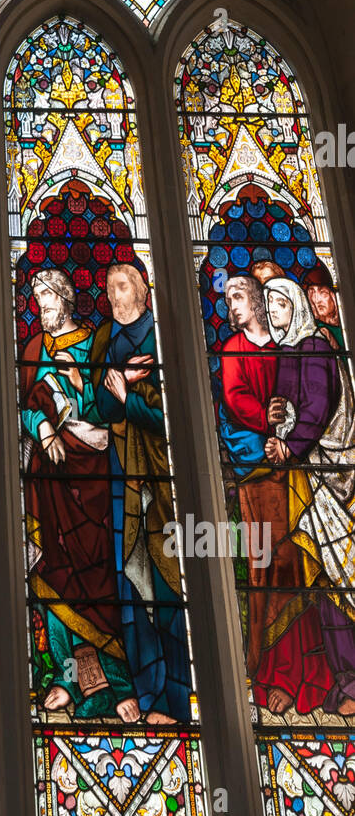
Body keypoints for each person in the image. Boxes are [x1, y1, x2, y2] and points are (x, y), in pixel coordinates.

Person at [20, 270, 136, 720]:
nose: (41, 309)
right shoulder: (32, 349)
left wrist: (82, 384)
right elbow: (25, 406)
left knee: (100, 569)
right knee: (54, 566)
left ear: (65, 301)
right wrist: (44, 425)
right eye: (36, 301)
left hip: (93, 472)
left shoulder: (95, 343)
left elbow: (107, 408)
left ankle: (117, 676)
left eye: (46, 301)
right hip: (49, 477)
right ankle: (67, 676)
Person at [217, 274, 332, 714]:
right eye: (227, 298)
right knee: (269, 560)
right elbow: (234, 397)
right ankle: (272, 672)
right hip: (257, 469)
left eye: (240, 295)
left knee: (304, 561)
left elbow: (307, 396)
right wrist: (269, 422)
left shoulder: (289, 347)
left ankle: (312, 674)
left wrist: (287, 426)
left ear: (262, 302)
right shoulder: (231, 350)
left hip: (297, 466)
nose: (233, 304)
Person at [91, 261, 190, 723]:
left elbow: (175, 415)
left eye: (123, 284)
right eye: (109, 286)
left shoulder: (162, 334)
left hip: (166, 476)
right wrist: (124, 391)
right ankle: (147, 696)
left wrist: (129, 392)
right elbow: (101, 404)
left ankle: (176, 699)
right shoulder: (104, 338)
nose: (114, 293)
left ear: (144, 291)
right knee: (131, 580)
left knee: (171, 579)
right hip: (122, 472)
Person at [262, 277, 355, 716]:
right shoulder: (289, 352)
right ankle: (346, 679)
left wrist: (289, 446)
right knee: (326, 580)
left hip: (333, 474)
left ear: (296, 306)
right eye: (268, 304)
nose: (272, 312)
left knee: (341, 577)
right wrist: (275, 418)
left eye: (278, 303)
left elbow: (318, 408)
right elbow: (290, 405)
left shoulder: (316, 348)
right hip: (311, 478)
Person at [303, 262, 344, 349]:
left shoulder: (346, 324)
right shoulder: (317, 332)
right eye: (312, 293)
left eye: (323, 292)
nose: (317, 300)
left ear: (333, 296)